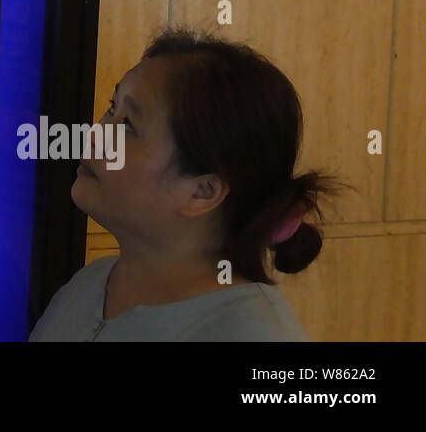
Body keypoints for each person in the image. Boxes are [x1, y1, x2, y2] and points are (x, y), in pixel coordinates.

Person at [29, 29, 343, 342]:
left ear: (202, 191)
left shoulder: (253, 334)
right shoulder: (89, 283)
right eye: (112, 108)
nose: (94, 135)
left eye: (127, 126)